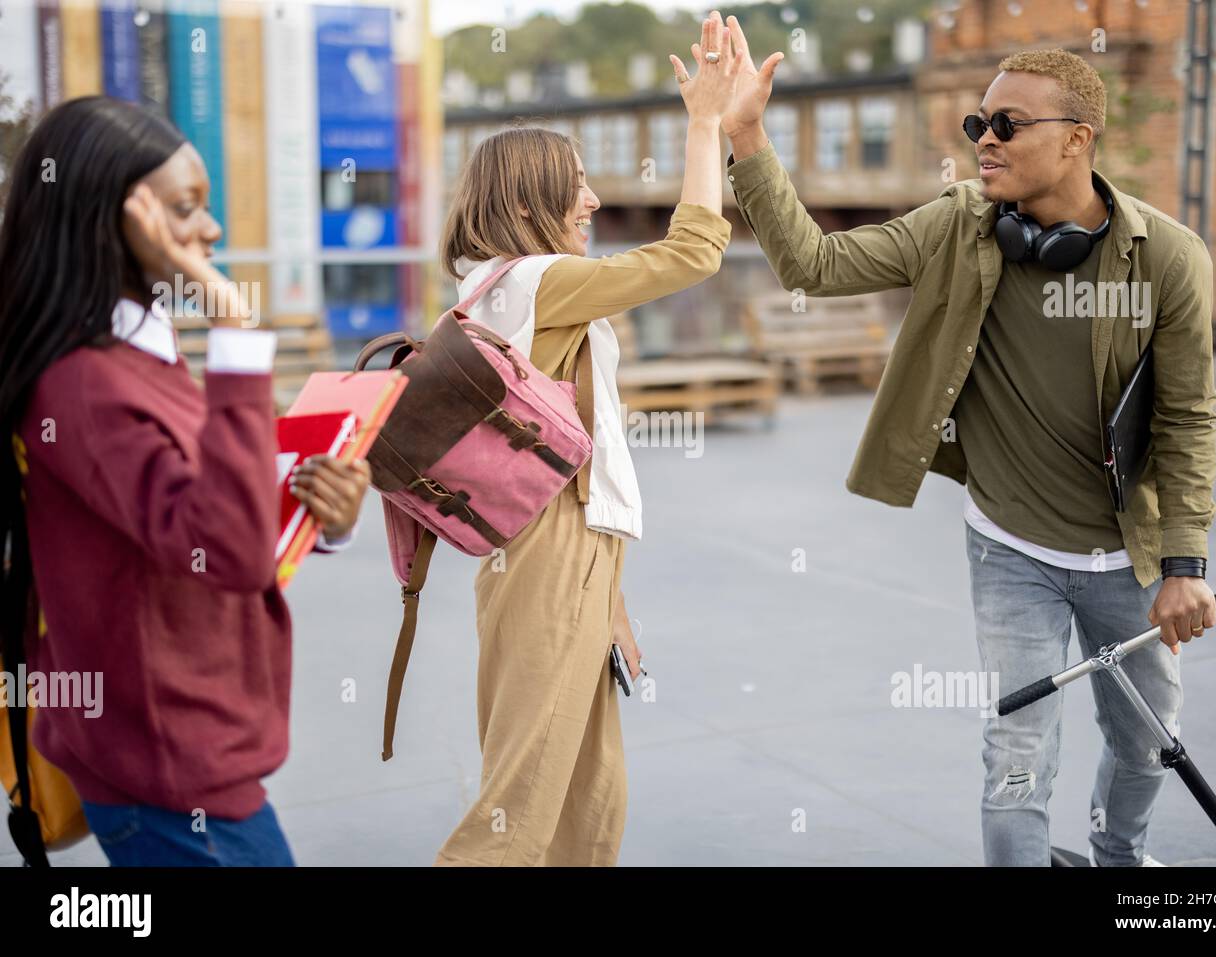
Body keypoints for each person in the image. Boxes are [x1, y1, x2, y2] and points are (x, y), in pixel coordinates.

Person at [721, 25, 1216, 867]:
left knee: (1146, 740)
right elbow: (814, 264)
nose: (984, 139)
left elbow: (1188, 417)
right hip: (1009, 548)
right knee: (1017, 757)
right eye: (977, 124)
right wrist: (746, 138)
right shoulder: (960, 225)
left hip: (1129, 555)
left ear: (1076, 139)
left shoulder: (1168, 258)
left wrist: (1186, 565)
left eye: (1008, 125)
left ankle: (1117, 855)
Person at [0, 96, 368, 866]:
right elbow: (223, 549)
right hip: (166, 765)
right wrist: (234, 327)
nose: (212, 230)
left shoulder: (134, 352)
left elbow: (198, 518)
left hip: (180, 745)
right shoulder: (83, 384)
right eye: (185, 209)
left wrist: (326, 519)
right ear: (117, 222)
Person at [430, 14, 739, 866]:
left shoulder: (492, 288)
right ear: (527, 203)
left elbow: (566, 459)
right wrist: (706, 122)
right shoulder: (534, 280)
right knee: (522, 800)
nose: (595, 201)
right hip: (553, 553)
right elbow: (693, 253)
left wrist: (609, 601)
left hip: (554, 552)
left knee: (586, 797)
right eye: (577, 186)